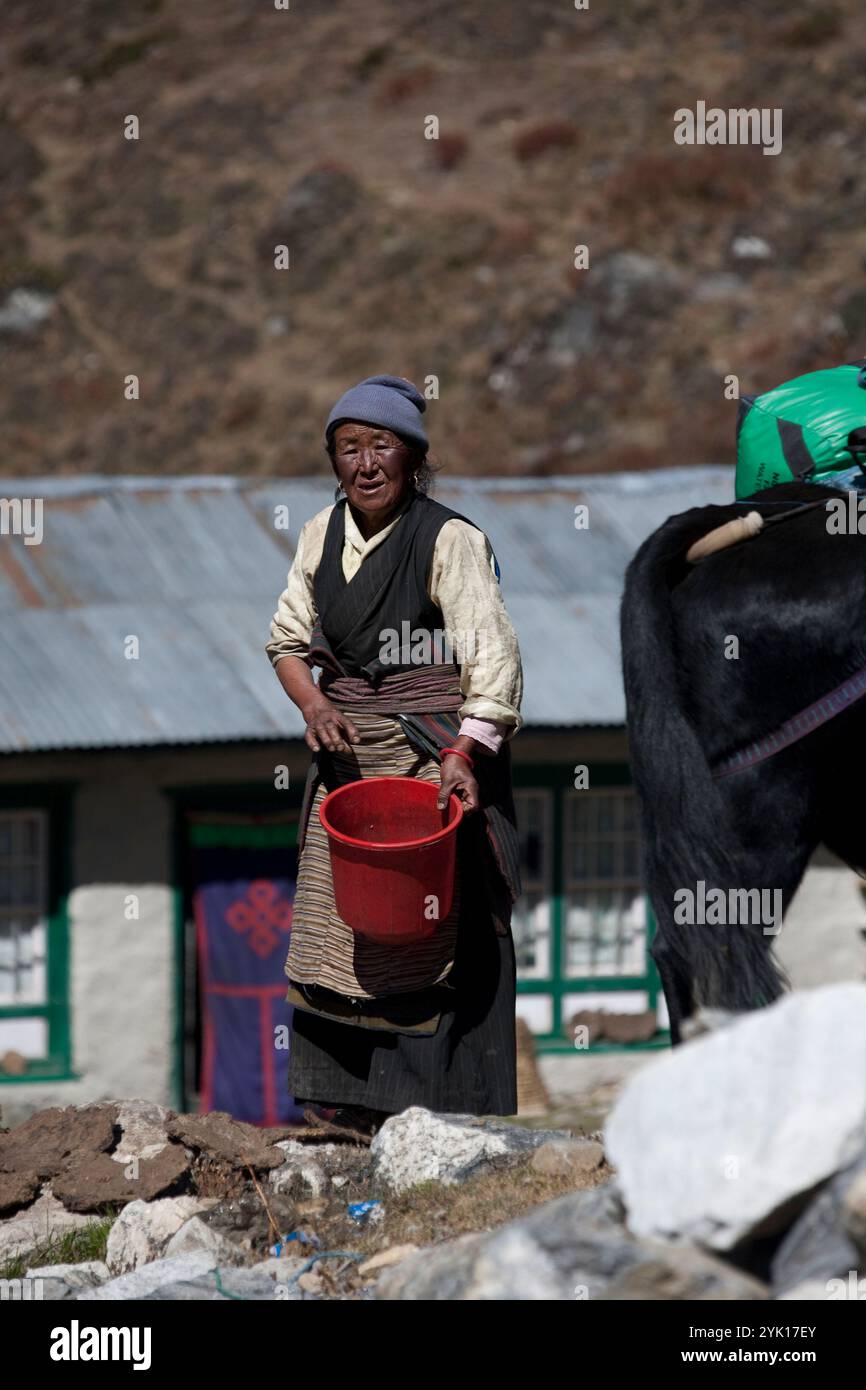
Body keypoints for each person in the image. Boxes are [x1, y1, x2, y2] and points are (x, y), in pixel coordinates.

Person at [266, 374, 523, 1139]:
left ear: (413, 460)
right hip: (349, 757)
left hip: (432, 749)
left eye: (382, 446)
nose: (365, 463)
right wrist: (314, 706)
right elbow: (286, 642)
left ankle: (441, 1107)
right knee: (338, 921)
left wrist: (465, 757)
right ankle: (348, 1105)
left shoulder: (449, 539)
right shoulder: (319, 535)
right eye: (349, 448)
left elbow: (495, 661)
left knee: (428, 916)